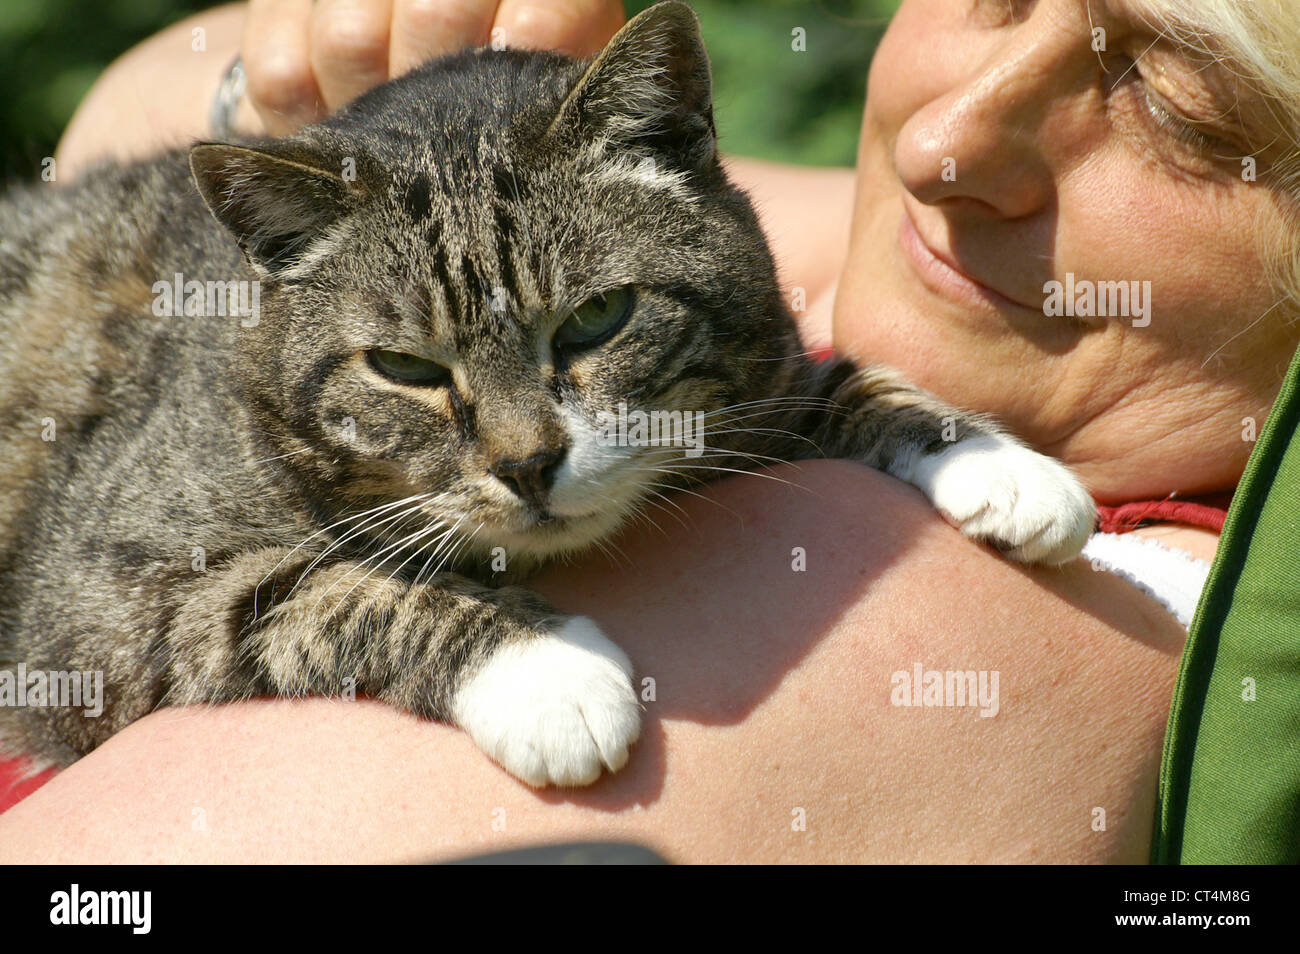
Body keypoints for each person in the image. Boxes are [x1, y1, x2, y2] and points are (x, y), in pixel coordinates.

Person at [1, 0, 1295, 863]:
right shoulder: (841, 271)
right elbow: (145, 104)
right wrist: (257, 76)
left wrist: (435, 635)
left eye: (1180, 108)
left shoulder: (1018, 613)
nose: (949, 147)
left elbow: (79, 644)